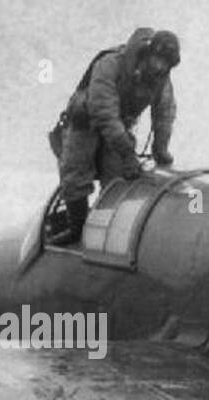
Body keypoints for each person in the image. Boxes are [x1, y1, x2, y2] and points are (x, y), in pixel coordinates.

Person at [47, 28, 181, 246]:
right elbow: (104, 112)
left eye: (165, 64)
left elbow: (164, 113)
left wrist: (161, 150)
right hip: (86, 120)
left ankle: (106, 229)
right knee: (75, 172)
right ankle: (77, 229)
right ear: (148, 53)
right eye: (157, 59)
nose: (159, 67)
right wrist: (128, 154)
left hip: (119, 126)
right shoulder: (110, 64)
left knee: (118, 180)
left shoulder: (161, 81)